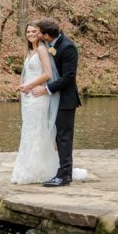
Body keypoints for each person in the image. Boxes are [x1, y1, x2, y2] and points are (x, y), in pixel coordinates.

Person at [31, 18, 85, 187]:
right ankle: (60, 171)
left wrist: (45, 89)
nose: (36, 34)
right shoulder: (50, 44)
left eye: (39, 32)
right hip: (53, 100)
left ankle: (65, 175)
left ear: (46, 35)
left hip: (66, 100)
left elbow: (68, 78)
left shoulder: (68, 47)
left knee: (64, 138)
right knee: (56, 136)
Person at [10, 22, 60, 184]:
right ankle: (26, 168)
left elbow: (48, 74)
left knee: (38, 130)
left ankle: (39, 170)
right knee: (28, 130)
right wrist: (24, 87)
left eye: (34, 31)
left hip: (39, 96)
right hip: (28, 96)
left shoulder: (42, 50)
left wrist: (30, 85)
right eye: (28, 31)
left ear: (39, 34)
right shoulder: (30, 51)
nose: (30, 34)